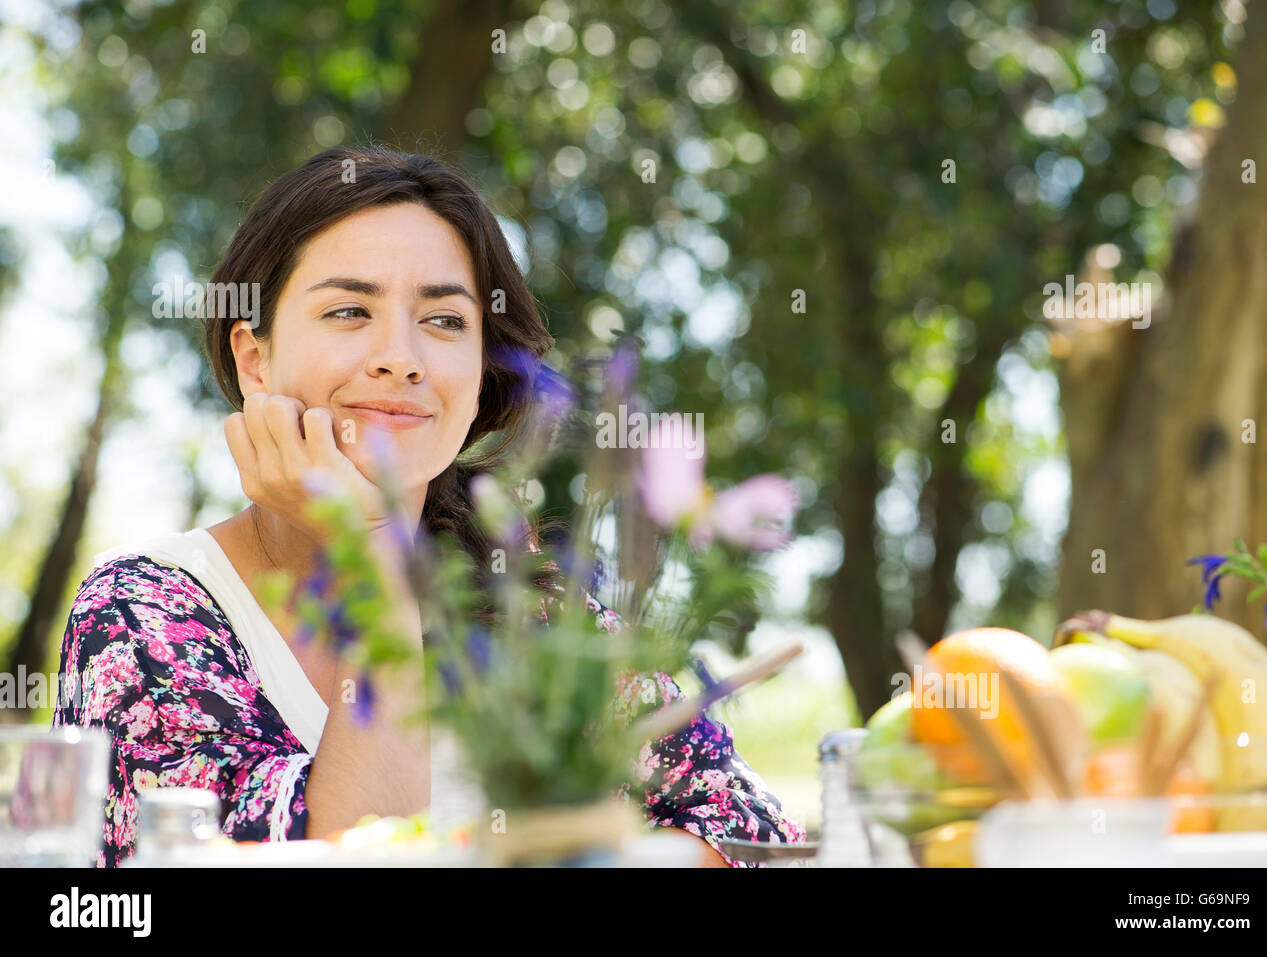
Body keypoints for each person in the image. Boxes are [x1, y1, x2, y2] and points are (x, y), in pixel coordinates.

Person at [53, 145, 806, 867]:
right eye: (350, 311)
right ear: (255, 359)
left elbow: (753, 836)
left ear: (480, 371)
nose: (401, 357)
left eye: (445, 320)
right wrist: (376, 556)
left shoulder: (538, 611)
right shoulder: (142, 612)